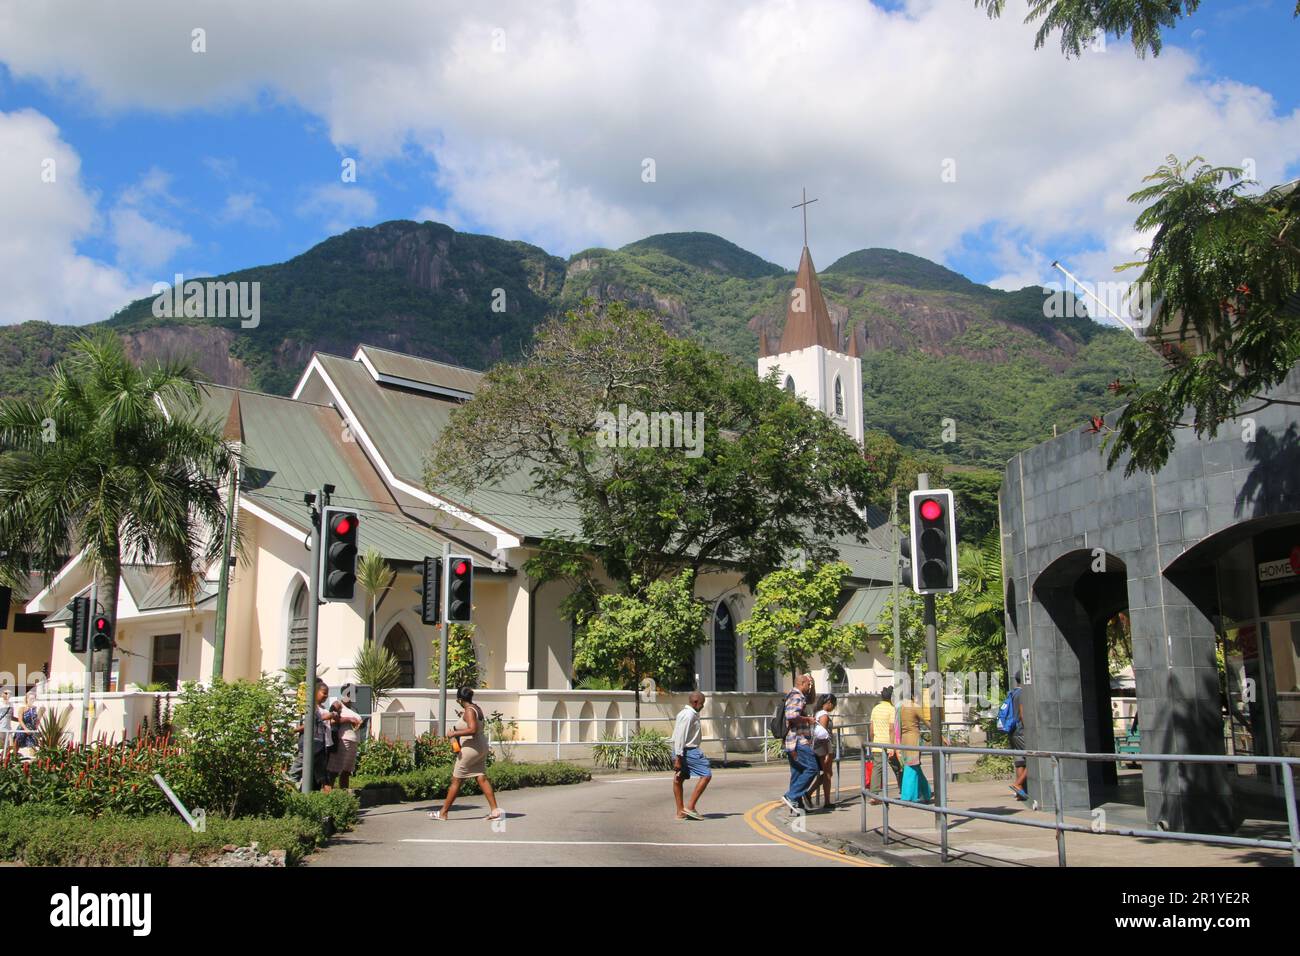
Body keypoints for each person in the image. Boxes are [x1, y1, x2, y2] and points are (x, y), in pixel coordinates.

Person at [430, 687, 502, 822]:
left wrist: (454, 733)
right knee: (481, 778)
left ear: (460, 700)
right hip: (481, 746)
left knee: (456, 780)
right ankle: (495, 811)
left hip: (471, 748)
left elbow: (472, 729)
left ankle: (443, 813)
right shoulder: (476, 708)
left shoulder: (469, 710)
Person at [780, 674, 819, 814]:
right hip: (798, 741)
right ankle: (791, 796)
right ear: (802, 683)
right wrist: (808, 719)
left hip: (792, 742)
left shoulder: (793, 695)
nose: (809, 687)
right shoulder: (797, 696)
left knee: (797, 772)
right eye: (808, 685)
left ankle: (796, 805)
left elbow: (812, 698)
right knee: (812, 768)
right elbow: (791, 716)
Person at [671, 691, 712, 820]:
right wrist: (678, 757)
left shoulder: (685, 713)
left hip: (682, 751)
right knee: (706, 775)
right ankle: (690, 807)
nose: (702, 706)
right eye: (701, 703)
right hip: (688, 751)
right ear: (695, 702)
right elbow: (680, 736)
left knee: (679, 778)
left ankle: (680, 812)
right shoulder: (689, 715)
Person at [867, 685, 902, 804]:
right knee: (898, 767)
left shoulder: (875, 708)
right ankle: (903, 791)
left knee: (877, 768)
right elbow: (892, 729)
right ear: (891, 697)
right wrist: (893, 746)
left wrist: (872, 741)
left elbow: (871, 728)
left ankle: (874, 795)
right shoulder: (892, 709)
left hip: (877, 743)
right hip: (888, 744)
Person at [898, 689, 932, 804]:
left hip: (904, 739)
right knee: (912, 767)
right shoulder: (914, 707)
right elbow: (927, 722)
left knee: (914, 766)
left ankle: (926, 792)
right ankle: (907, 796)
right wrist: (940, 736)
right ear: (912, 695)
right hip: (914, 739)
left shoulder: (900, 708)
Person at [327, 686, 364, 789]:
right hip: (342, 739)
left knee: (347, 771)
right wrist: (348, 719)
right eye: (348, 694)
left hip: (353, 740)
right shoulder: (338, 704)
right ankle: (327, 793)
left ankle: (345, 795)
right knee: (334, 769)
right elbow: (331, 720)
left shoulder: (353, 708)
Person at [811, 693, 837, 808]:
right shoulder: (824, 715)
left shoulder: (818, 713)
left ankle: (823, 799)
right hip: (824, 746)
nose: (833, 707)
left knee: (827, 773)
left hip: (821, 746)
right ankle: (811, 795)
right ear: (829, 703)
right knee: (827, 774)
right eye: (833, 704)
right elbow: (823, 735)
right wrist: (827, 752)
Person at [1008, 671, 1028, 801]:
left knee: (1020, 761)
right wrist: (1029, 729)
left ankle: (1020, 793)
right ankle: (1018, 783)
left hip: (1012, 731)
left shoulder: (1012, 693)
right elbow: (1022, 713)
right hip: (1021, 731)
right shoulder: (1022, 693)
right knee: (1034, 758)